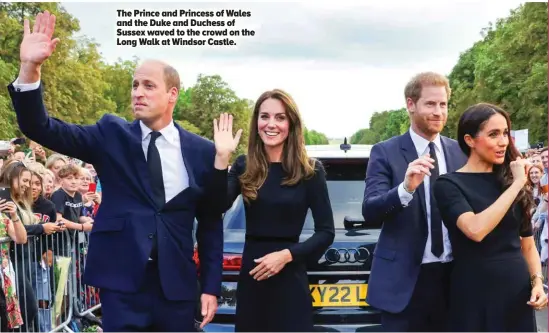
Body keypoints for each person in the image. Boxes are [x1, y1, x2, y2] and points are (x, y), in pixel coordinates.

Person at [7, 10, 241, 332]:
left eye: (148, 85)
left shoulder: (202, 151)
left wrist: (211, 286)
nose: (137, 92)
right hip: (122, 287)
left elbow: (211, 223)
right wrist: (30, 68)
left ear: (172, 94)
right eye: (134, 85)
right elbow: (42, 127)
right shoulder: (110, 135)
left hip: (177, 290)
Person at [362, 72, 467, 331]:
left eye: (443, 104)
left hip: (454, 282)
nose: (438, 112)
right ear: (411, 104)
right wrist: (405, 188)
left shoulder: (460, 152)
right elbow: (371, 211)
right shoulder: (385, 152)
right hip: (405, 285)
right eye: (430, 104)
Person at [226, 89, 335, 331]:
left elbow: (326, 232)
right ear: (256, 122)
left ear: (291, 124)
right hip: (253, 277)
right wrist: (222, 159)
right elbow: (215, 207)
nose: (271, 124)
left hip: (290, 277)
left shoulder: (310, 171)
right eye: (265, 116)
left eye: (280, 117)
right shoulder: (244, 165)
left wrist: (286, 255)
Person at [433, 103, 548, 331]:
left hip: (517, 293)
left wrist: (537, 282)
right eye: (493, 134)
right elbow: (476, 230)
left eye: (505, 133)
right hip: (474, 294)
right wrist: (517, 184)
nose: (503, 141)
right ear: (470, 140)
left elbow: (526, 245)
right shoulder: (448, 184)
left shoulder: (507, 181)